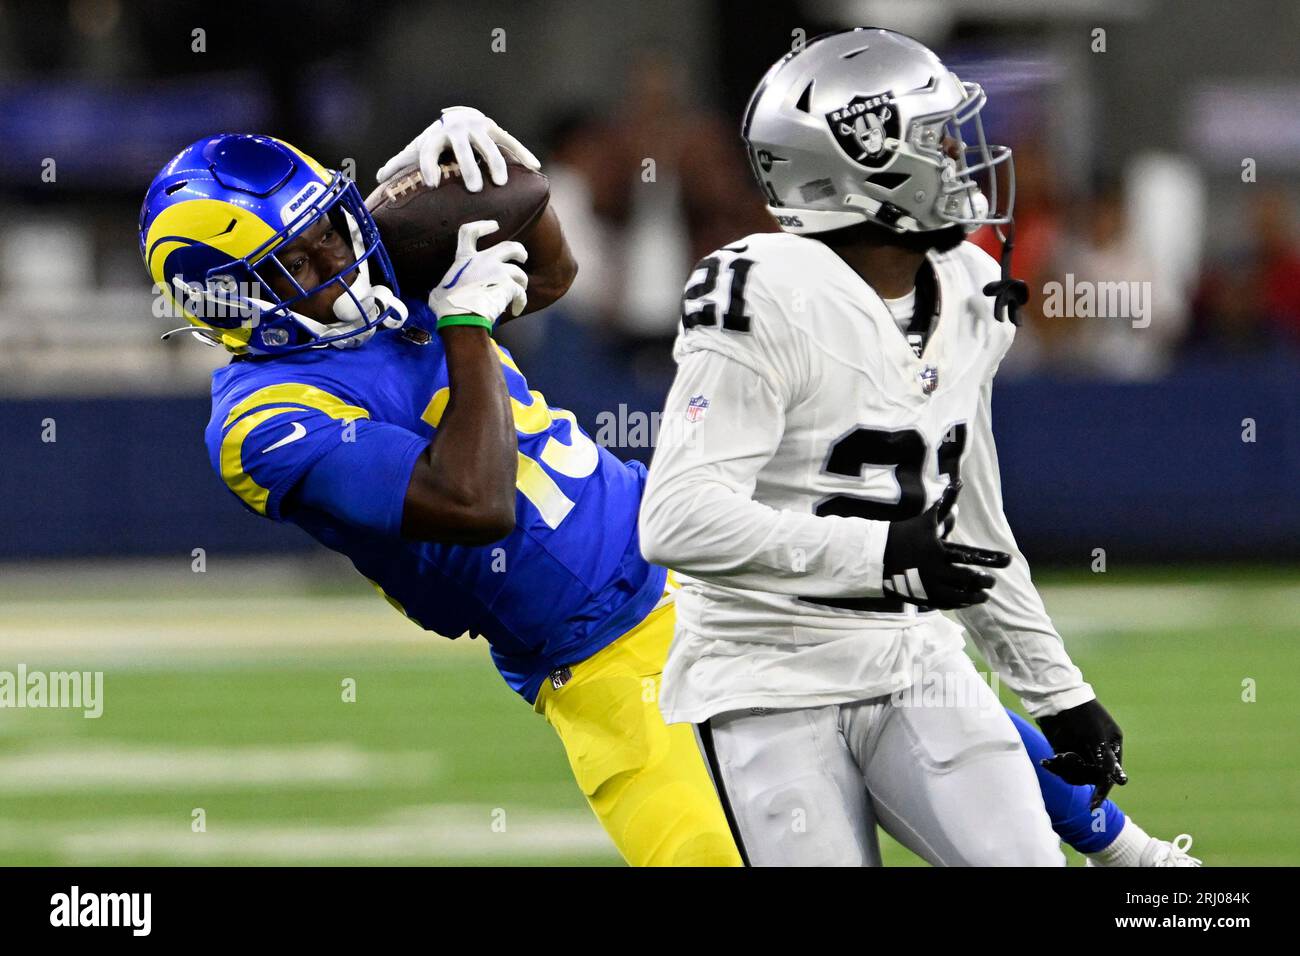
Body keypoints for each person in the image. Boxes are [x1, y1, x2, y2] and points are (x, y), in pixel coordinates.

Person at [139, 102, 1195, 867]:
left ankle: (1138, 857)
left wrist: (506, 170)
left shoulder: (370, 281)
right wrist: (460, 321)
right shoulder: (264, 423)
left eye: (333, 225)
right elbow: (473, 500)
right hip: (601, 661)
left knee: (922, 686)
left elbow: (553, 272)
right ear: (227, 298)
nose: (341, 257)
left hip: (691, 564)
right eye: (304, 255)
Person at [638, 28, 1197, 866]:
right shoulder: (766, 292)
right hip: (765, 676)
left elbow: (971, 525)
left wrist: (1058, 692)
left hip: (914, 664)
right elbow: (676, 519)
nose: (964, 156)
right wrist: (880, 554)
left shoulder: (971, 286)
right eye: (937, 136)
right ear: (862, 160)